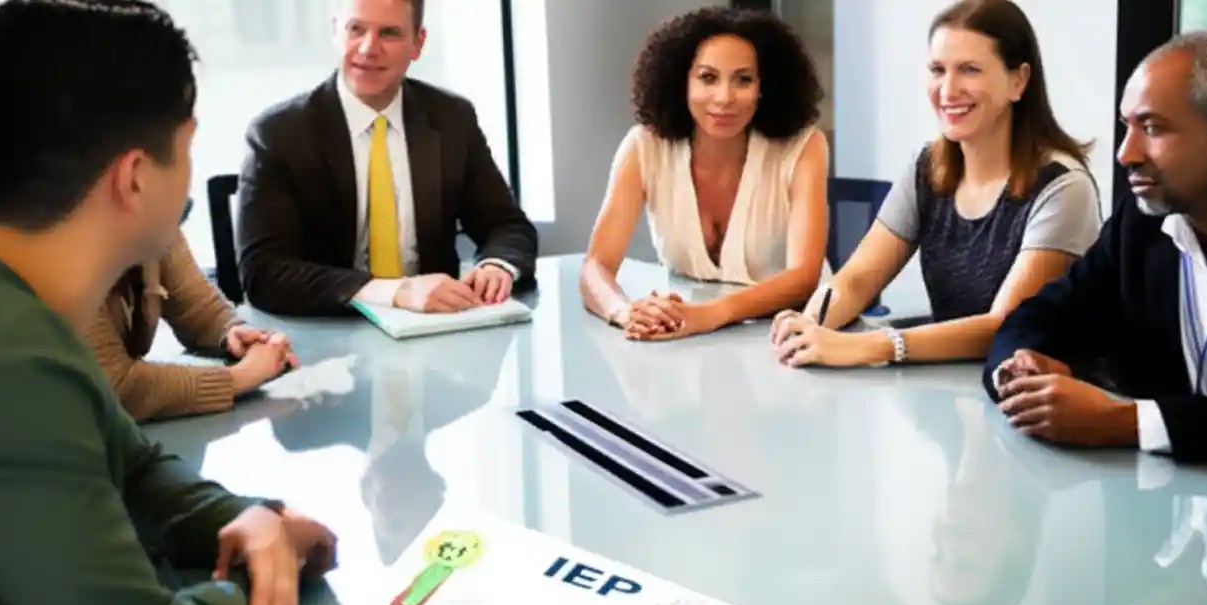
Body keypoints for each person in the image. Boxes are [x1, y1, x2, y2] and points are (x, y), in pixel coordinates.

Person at [0, 2, 337, 605]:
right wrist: (277, 571)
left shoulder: (29, 315)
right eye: (189, 144)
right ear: (136, 177)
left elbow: (132, 462)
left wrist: (255, 520)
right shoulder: (10, 360)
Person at [770, 0, 1101, 367]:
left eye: (970, 70)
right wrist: (811, 325)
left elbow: (1005, 326)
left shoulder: (1064, 188)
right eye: (937, 69)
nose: (947, 90)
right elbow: (859, 278)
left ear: (1018, 81)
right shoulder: (926, 168)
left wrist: (876, 346)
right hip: (953, 392)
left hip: (1036, 401)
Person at [987, 30, 1207, 464]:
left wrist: (1125, 422)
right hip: (1166, 508)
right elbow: (1036, 317)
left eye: (1151, 128)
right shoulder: (1141, 224)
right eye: (1126, 127)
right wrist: (1019, 373)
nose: (1125, 153)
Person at [236, 0, 537, 317]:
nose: (368, 48)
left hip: (436, 331)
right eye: (356, 29)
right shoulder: (279, 133)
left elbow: (506, 225)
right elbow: (264, 272)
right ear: (335, 32)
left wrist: (496, 266)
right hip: (328, 336)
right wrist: (394, 292)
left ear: (417, 44)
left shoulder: (451, 118)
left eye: (389, 33)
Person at [578, 7, 829, 341]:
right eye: (708, 78)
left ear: (764, 87)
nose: (724, 98)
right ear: (681, 82)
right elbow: (595, 267)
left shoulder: (804, 147)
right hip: (696, 341)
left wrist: (712, 314)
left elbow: (803, 277)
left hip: (794, 336)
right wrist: (625, 312)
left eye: (744, 80)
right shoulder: (645, 147)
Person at [88, 200, 299, 422]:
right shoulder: (62, 244)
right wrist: (238, 378)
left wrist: (231, 331)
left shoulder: (151, 213)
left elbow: (198, 308)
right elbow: (114, 386)